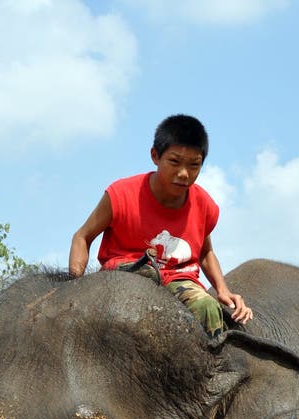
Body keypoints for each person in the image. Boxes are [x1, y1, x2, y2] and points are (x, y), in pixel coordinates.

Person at [69, 114, 253, 336]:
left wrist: (223, 290)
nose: (184, 174)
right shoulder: (120, 195)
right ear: (155, 156)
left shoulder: (204, 204)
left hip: (179, 279)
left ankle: (218, 367)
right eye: (174, 162)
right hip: (128, 272)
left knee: (208, 308)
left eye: (194, 165)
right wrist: (74, 287)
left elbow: (205, 252)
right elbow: (82, 237)